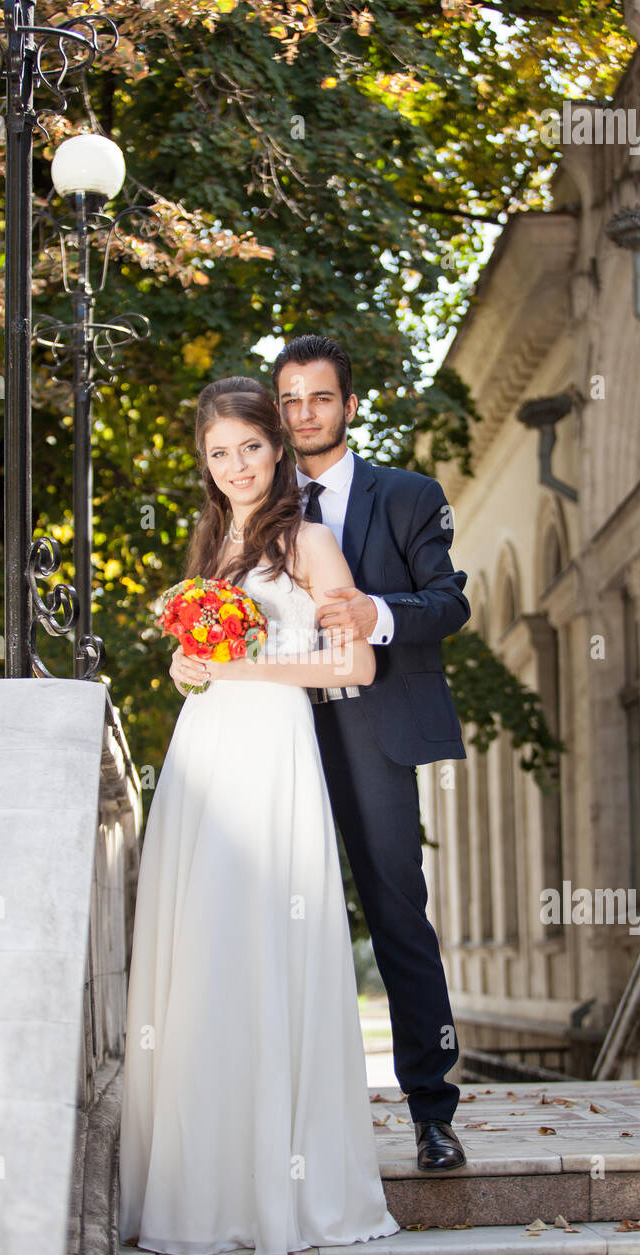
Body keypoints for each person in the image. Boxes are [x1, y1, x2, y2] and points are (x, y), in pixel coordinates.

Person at [119, 375, 400, 1255]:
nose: (236, 465)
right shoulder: (212, 544)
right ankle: (203, 1191)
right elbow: (202, 654)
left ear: (277, 449)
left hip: (274, 754)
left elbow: (352, 666)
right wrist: (186, 671)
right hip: (205, 753)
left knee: (263, 949)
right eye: (218, 453)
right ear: (203, 465)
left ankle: (282, 1192)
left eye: (250, 446)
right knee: (202, 955)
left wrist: (244, 672)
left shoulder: (310, 540)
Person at [263, 334, 471, 1173]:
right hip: (279, 733)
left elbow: (447, 603)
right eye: (290, 400)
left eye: (321, 398)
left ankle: (431, 1112)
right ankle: (282, 1112)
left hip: (374, 725)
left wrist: (374, 616)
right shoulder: (252, 500)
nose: (305, 414)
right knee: (272, 915)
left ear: (350, 405)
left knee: (395, 911)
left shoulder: (411, 496)